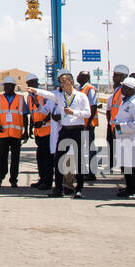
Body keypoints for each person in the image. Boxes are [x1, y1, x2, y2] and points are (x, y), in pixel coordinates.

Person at [30, 70, 91, 198]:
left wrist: (73, 112)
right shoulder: (60, 96)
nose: (63, 84)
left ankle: (79, 189)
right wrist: (35, 90)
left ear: (71, 82)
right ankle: (58, 189)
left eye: (65, 81)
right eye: (61, 82)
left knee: (78, 160)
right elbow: (47, 95)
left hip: (77, 129)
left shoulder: (81, 96)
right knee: (58, 159)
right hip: (64, 130)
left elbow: (88, 113)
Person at [0, 76, 30, 187]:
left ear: (13, 87)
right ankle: (1, 176)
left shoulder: (21, 99)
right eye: (5, 86)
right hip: (3, 133)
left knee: (15, 158)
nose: (7, 88)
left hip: (16, 134)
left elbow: (24, 116)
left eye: (9, 86)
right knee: (2, 156)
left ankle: (13, 179)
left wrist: (26, 131)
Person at [112, 77, 135, 199]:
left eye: (125, 87)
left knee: (134, 166)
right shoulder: (125, 101)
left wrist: (121, 127)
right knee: (126, 164)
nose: (122, 89)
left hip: (132, 138)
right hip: (124, 138)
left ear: (131, 90)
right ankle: (129, 188)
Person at [26, 75, 53, 188]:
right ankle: (42, 179)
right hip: (38, 132)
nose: (31, 85)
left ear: (37, 83)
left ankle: (47, 182)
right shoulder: (29, 97)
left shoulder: (45, 95)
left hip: (47, 131)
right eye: (29, 84)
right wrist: (30, 128)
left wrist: (42, 122)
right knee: (40, 157)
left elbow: (51, 111)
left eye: (33, 83)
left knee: (47, 158)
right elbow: (32, 113)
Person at [105, 64, 129, 174]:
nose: (113, 77)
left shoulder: (124, 92)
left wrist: (117, 128)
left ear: (123, 77)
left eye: (116, 75)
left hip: (120, 127)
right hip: (115, 126)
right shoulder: (117, 91)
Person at [77, 70, 99, 181]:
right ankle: (86, 171)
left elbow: (93, 106)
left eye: (80, 76)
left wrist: (89, 121)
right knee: (83, 148)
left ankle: (92, 172)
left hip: (88, 124)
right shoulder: (80, 89)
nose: (77, 77)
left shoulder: (89, 89)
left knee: (90, 148)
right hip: (81, 123)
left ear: (85, 78)